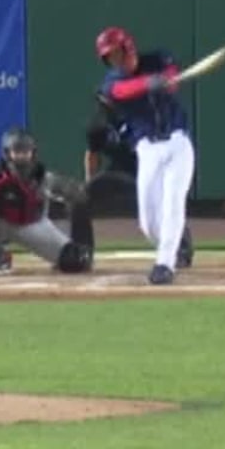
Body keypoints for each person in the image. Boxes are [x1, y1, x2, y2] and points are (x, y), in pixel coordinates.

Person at [93, 26, 193, 285]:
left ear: (129, 47)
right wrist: (150, 82)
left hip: (177, 143)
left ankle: (164, 264)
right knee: (147, 222)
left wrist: (167, 79)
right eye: (109, 57)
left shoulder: (159, 59)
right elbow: (121, 92)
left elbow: (172, 77)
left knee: (173, 202)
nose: (115, 61)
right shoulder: (111, 82)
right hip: (147, 148)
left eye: (117, 53)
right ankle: (176, 239)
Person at [78, 87, 192, 268]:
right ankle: (81, 252)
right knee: (79, 197)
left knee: (167, 202)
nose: (107, 106)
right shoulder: (97, 127)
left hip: (148, 173)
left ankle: (180, 250)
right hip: (118, 173)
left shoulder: (142, 119)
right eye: (105, 102)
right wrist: (89, 182)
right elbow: (92, 154)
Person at [0, 127, 95, 277]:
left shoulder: (43, 178)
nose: (22, 156)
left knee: (76, 261)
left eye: (26, 152)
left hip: (31, 226)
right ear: (7, 154)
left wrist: (77, 194)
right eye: (17, 152)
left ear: (33, 153)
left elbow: (75, 195)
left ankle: (69, 255)